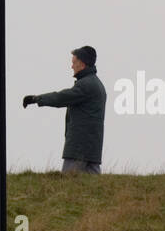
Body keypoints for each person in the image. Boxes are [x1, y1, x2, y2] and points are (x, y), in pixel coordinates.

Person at [22, 46, 106, 174]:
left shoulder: (86, 85)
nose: (71, 66)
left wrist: (36, 99)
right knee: (94, 189)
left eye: (73, 63)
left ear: (82, 64)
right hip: (92, 149)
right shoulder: (97, 84)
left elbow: (60, 98)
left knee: (68, 185)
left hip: (78, 149)